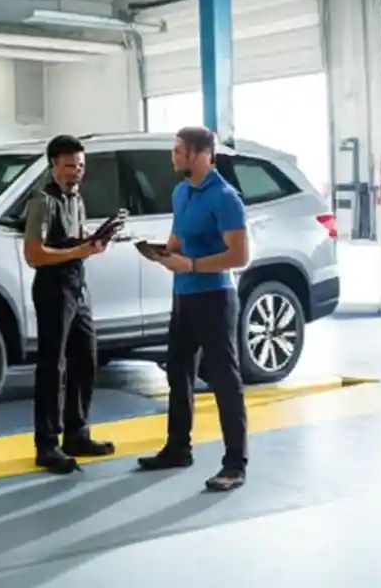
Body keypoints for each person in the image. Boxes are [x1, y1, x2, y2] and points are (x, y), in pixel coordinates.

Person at [137, 125, 251, 492]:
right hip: (183, 295)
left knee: (224, 380)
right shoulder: (181, 192)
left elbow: (240, 256)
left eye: (178, 150)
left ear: (201, 153)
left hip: (215, 297)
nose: (173, 156)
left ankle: (235, 465)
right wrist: (164, 251)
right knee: (178, 372)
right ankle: (177, 448)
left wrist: (194, 266)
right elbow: (180, 235)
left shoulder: (226, 198)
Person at [22, 134, 119, 474]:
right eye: (68, 166)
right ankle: (46, 444)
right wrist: (81, 250)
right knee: (52, 366)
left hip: (78, 287)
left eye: (80, 166)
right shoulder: (42, 201)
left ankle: (77, 433)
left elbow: (75, 235)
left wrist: (97, 238)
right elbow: (33, 254)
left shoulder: (76, 199)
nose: (75, 172)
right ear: (52, 165)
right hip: (53, 287)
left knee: (86, 358)